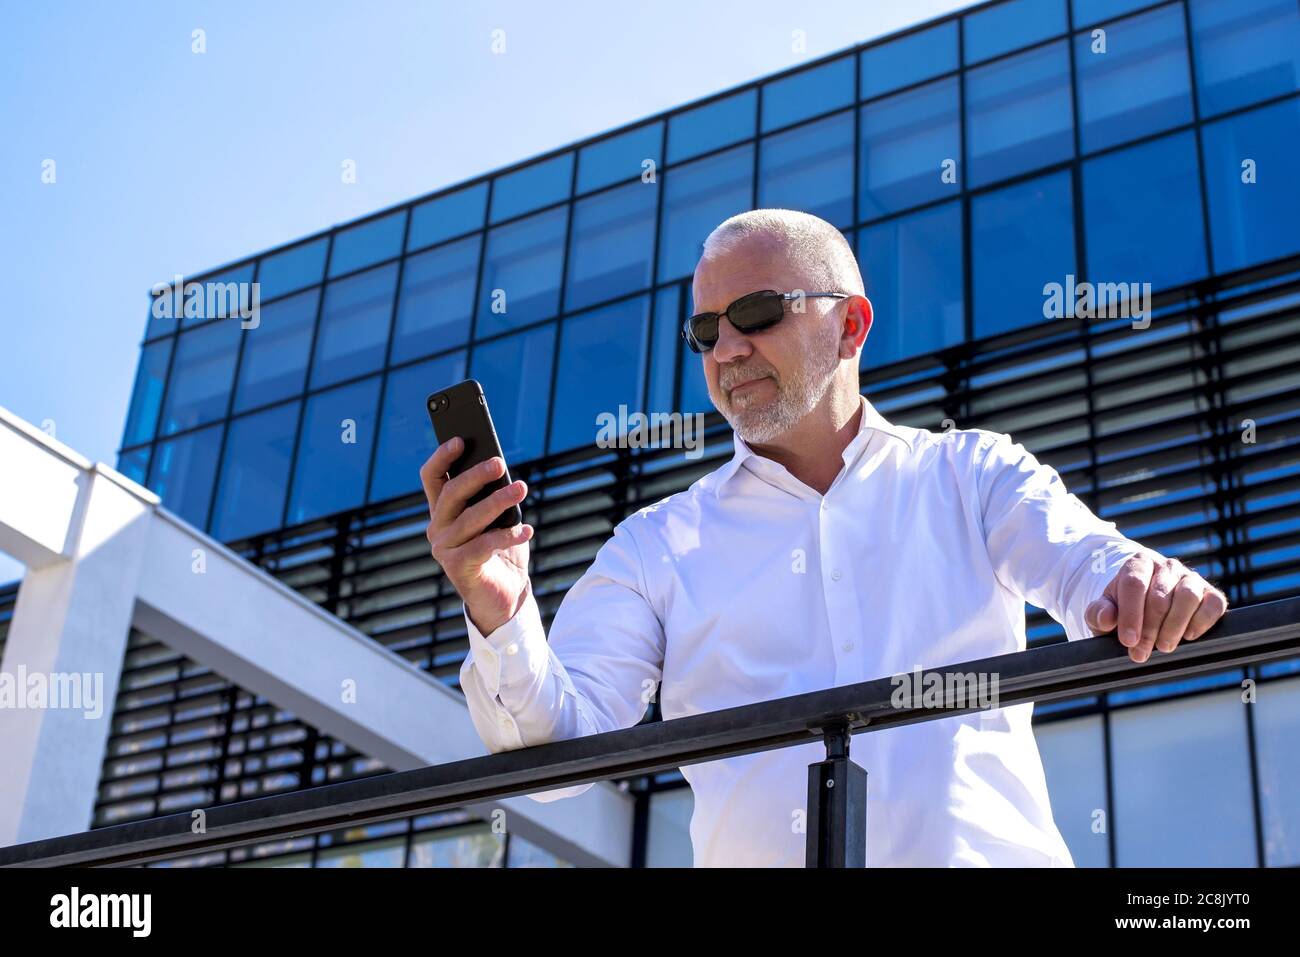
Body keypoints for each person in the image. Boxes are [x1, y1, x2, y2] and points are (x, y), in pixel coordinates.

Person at [419, 208, 1229, 867]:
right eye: (706, 330)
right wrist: (500, 607)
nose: (728, 348)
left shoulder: (972, 474)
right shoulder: (652, 546)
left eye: (757, 314)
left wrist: (1141, 585)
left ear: (851, 325)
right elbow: (563, 754)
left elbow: (1093, 564)